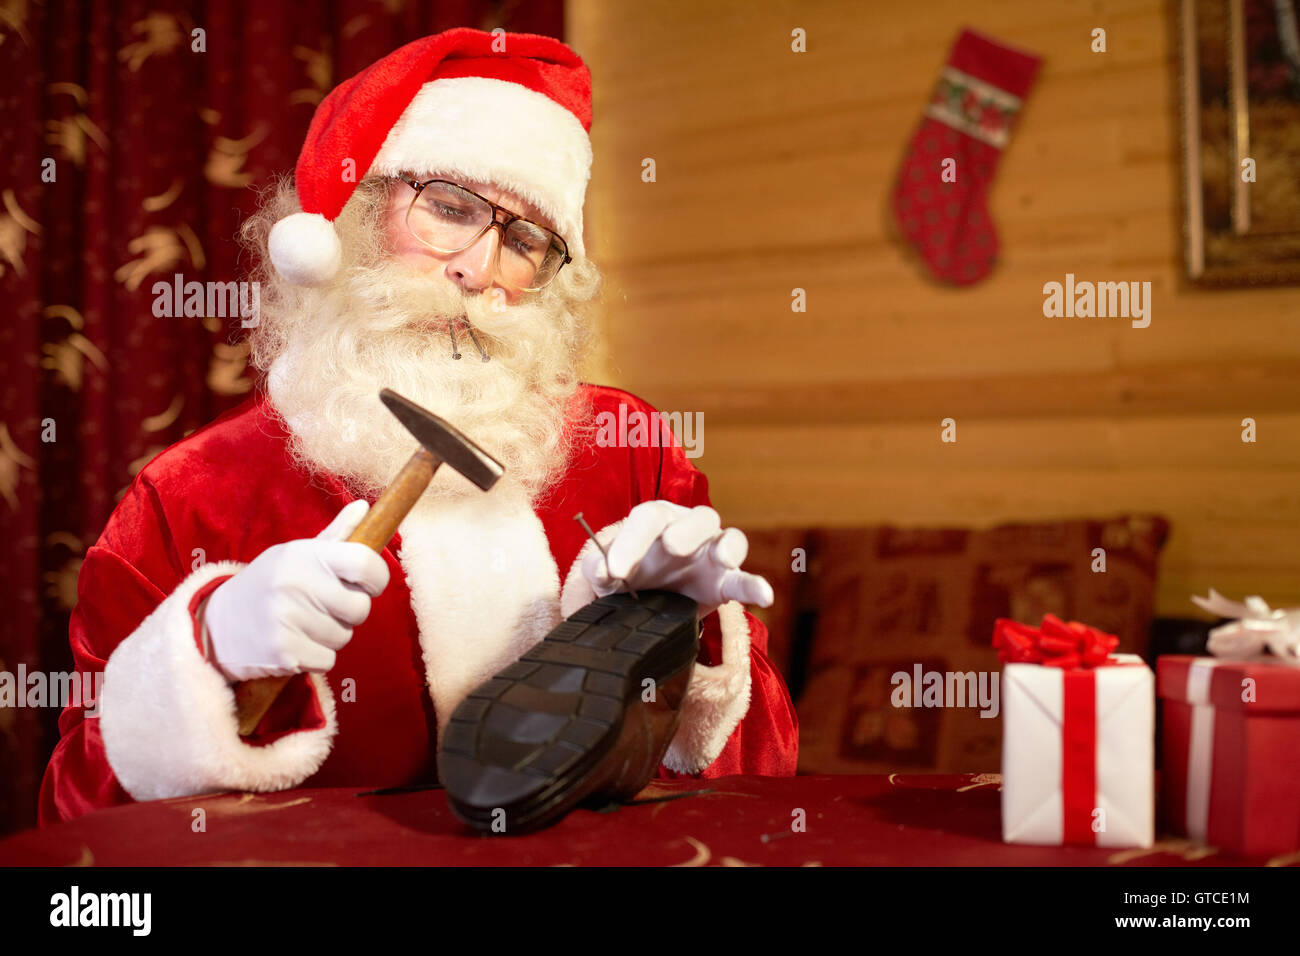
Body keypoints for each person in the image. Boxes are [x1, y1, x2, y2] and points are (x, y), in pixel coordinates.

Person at [38, 26, 798, 827]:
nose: (478, 268)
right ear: (360, 215)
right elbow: (77, 813)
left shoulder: (627, 448)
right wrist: (210, 654)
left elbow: (763, 770)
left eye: (526, 239)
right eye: (448, 207)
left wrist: (682, 643)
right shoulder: (193, 492)